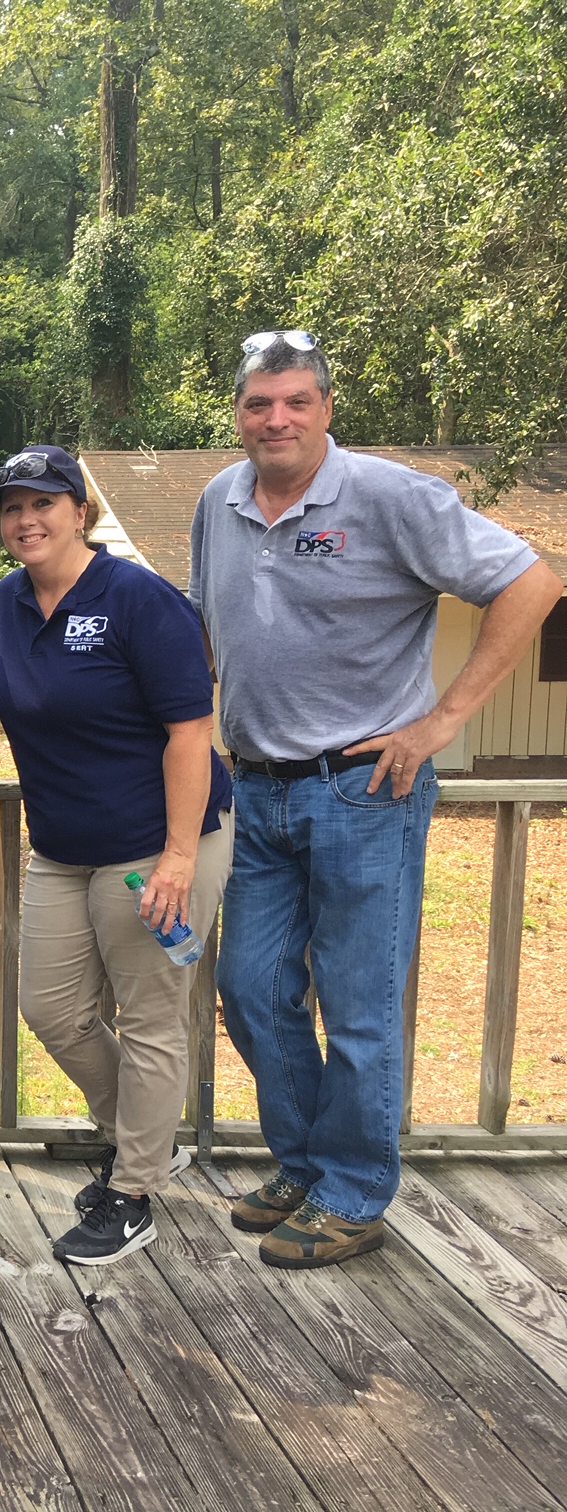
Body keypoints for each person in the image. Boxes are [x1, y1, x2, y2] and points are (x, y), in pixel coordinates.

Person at [191, 331, 561, 1269]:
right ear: (238, 413)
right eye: (259, 403)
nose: (277, 419)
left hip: (365, 791)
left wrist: (445, 719)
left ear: (325, 407)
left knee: (358, 1006)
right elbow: (207, 630)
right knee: (248, 988)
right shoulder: (216, 502)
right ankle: (309, 1163)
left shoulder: (387, 496)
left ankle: (355, 1192)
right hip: (259, 790)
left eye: (296, 401)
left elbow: (531, 581)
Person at [0, 445, 234, 1265]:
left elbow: (190, 731)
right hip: (62, 844)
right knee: (51, 1006)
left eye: (43, 502)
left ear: (81, 510)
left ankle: (135, 1187)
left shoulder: (140, 600)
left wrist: (180, 855)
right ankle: (143, 1137)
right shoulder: (9, 600)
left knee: (149, 1017)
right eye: (11, 508)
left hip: (156, 845)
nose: (25, 520)